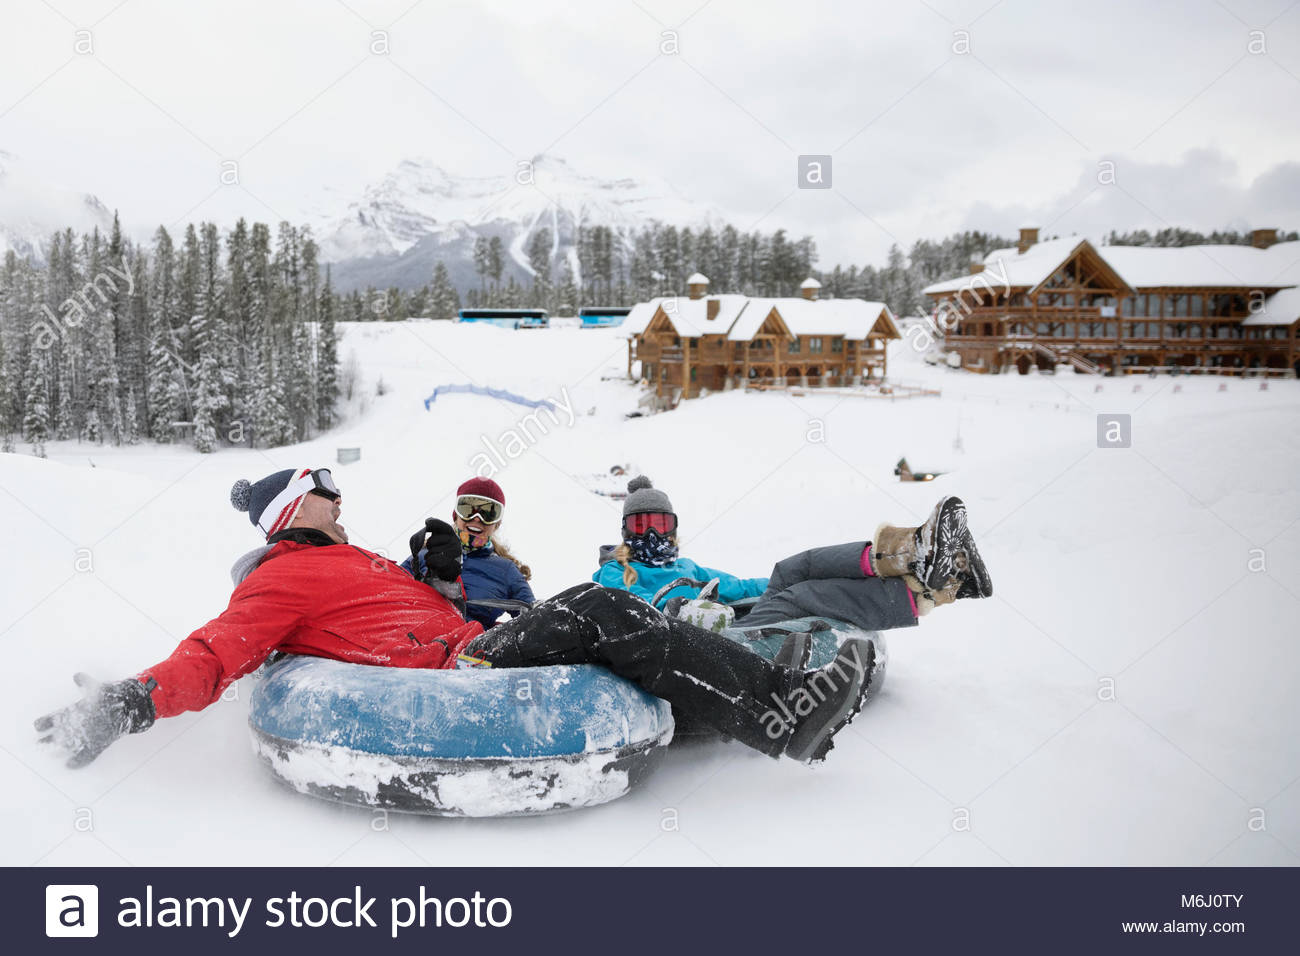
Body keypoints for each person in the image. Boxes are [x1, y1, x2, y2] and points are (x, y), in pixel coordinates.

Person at [34, 467, 888, 771]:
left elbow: (406, 612)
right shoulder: (280, 581)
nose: (342, 499)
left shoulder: (349, 558)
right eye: (328, 491)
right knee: (600, 605)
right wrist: (129, 702)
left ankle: (767, 695)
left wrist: (445, 582)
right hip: (460, 674)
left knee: (603, 615)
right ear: (300, 507)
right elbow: (215, 653)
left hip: (473, 642)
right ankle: (787, 714)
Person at [594, 476, 992, 670]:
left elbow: (740, 587)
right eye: (642, 523)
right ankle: (927, 595)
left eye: (660, 524)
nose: (651, 533)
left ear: (674, 527)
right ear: (626, 529)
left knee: (791, 573)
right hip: (691, 642)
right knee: (797, 598)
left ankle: (909, 555)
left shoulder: (686, 567)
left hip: (725, 620)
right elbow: (619, 612)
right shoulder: (616, 572)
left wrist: (798, 581)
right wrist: (674, 606)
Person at [402, 477, 535, 630]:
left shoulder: (506, 570)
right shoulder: (422, 557)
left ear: (496, 524)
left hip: (470, 647)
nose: (477, 518)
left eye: (488, 513)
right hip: (418, 636)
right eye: (467, 509)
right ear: (455, 515)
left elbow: (534, 619)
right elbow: (389, 592)